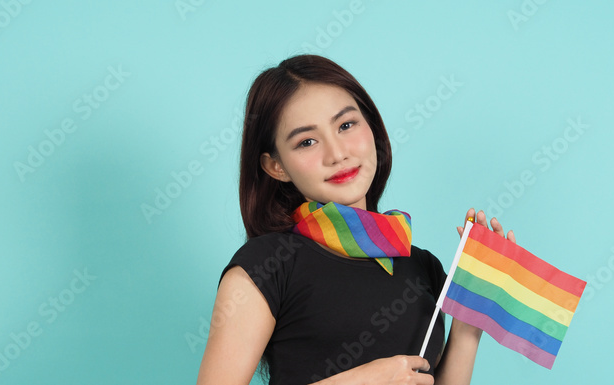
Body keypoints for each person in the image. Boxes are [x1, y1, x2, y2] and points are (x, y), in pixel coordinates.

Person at [196, 55, 517, 385]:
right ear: (276, 166)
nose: (337, 153)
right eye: (306, 142)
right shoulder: (266, 265)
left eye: (346, 125)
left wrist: (467, 327)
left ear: (371, 127)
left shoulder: (424, 267)